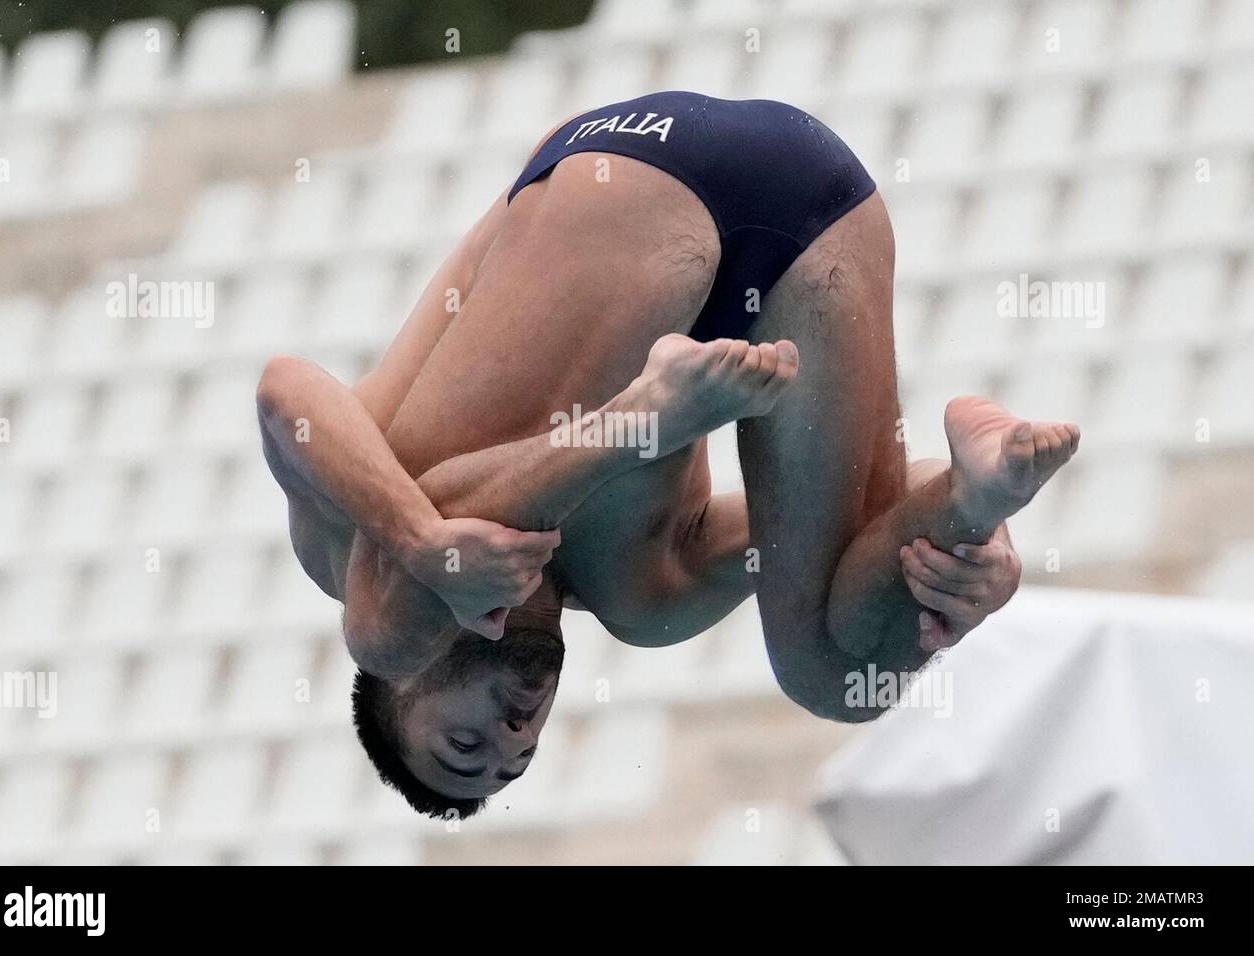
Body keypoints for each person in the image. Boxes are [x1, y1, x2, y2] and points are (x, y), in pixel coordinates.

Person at [257, 91, 1077, 817]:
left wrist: (414, 539)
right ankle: (987, 487)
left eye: (464, 748)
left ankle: (641, 417)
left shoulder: (341, 554)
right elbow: (855, 523)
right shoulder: (646, 590)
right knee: (838, 678)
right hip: (820, 211)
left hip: (626, 181)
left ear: (398, 703)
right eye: (520, 760)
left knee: (385, 616)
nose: (513, 735)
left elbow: (285, 391)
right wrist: (973, 543)